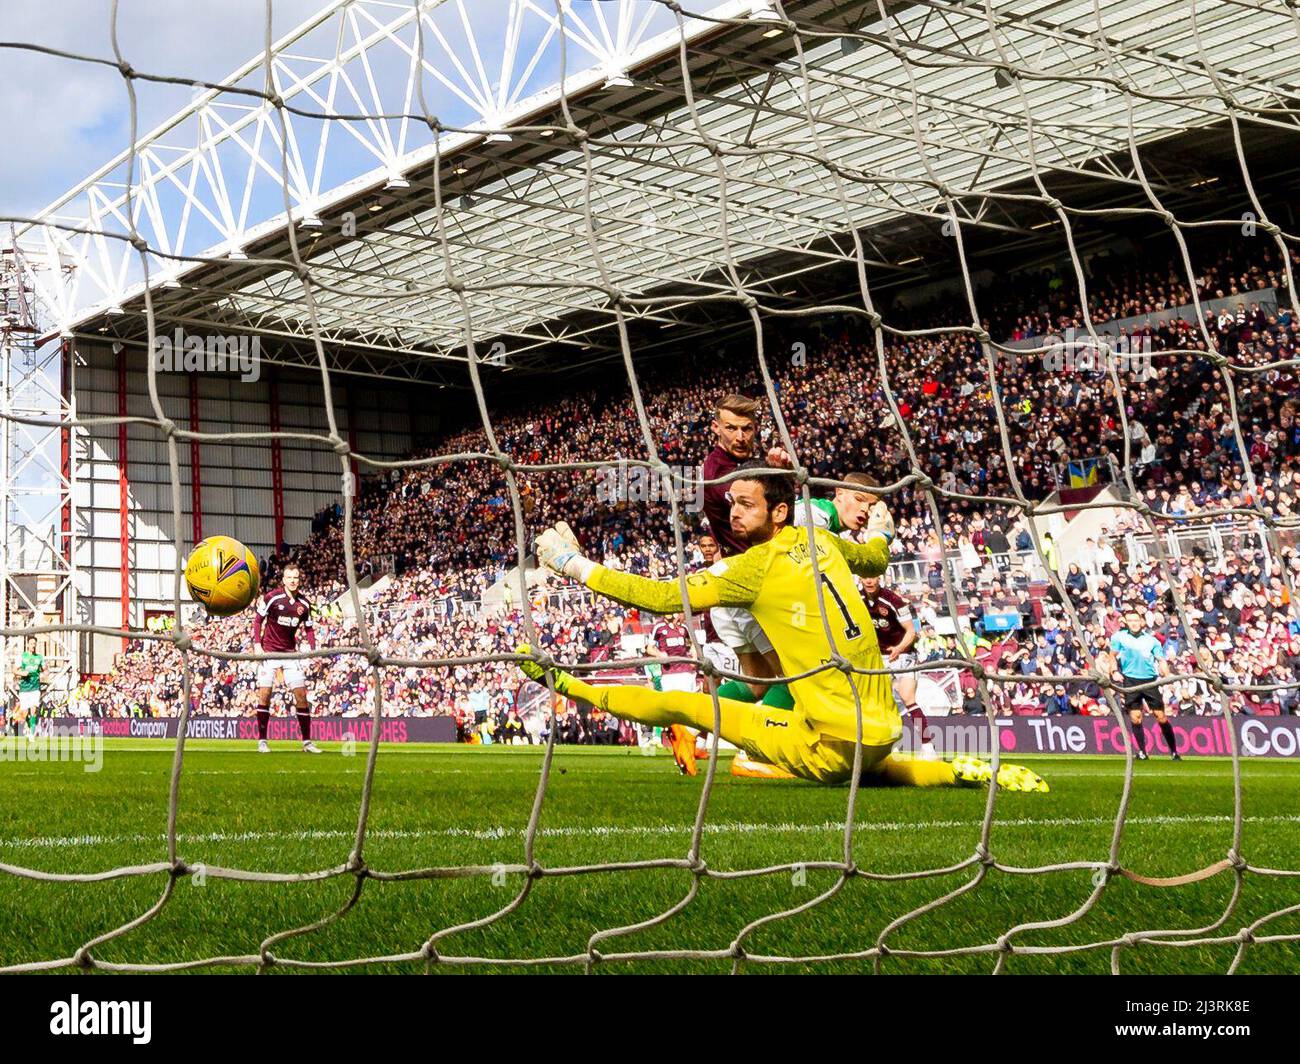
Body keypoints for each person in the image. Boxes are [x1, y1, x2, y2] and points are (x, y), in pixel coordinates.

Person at [521, 462, 1047, 791]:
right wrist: (883, 531)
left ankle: (566, 684)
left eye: (745, 505)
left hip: (830, 747)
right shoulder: (822, 542)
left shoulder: (754, 567)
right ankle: (956, 771)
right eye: (731, 504)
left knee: (690, 706)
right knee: (871, 768)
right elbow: (876, 562)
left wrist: (572, 563)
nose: (733, 515)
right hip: (883, 732)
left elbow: (660, 598)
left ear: (778, 512)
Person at [859, 575, 936, 759]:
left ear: (879, 578)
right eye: (865, 578)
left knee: (907, 696)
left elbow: (911, 631)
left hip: (904, 654)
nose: (869, 582)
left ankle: (928, 747)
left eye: (872, 577)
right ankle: (891, 748)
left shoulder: (894, 600)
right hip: (879, 657)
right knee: (882, 703)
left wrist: (899, 648)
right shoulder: (856, 599)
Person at [252, 563, 322, 754]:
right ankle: (262, 741)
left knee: (301, 695)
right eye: (289, 577)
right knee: (265, 694)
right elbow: (258, 620)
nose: (293, 581)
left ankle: (307, 742)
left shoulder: (305, 604)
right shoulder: (272, 597)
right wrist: (257, 644)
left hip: (291, 654)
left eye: (296, 578)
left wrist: (313, 650)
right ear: (283, 580)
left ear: (299, 580)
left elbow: (308, 628)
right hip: (269, 652)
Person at [1105, 609, 1180, 761]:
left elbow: (1161, 661)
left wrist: (1168, 678)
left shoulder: (1152, 640)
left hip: (1149, 680)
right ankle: (1142, 752)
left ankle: (1174, 751)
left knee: (1160, 716)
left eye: (1136, 620)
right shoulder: (1119, 637)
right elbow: (1112, 656)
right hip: (1130, 679)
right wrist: (1114, 671)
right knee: (1136, 717)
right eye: (1130, 620)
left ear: (1142, 622)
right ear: (1126, 622)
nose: (1133, 623)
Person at [12, 635, 43, 740]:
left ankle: (32, 734)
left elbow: (45, 669)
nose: (33, 645)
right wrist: (22, 673)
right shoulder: (22, 657)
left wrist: (44, 674)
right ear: (28, 644)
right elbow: (15, 670)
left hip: (35, 687)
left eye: (34, 644)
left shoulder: (39, 657)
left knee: (33, 709)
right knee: (24, 713)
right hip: (24, 688)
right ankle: (28, 728)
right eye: (31, 643)